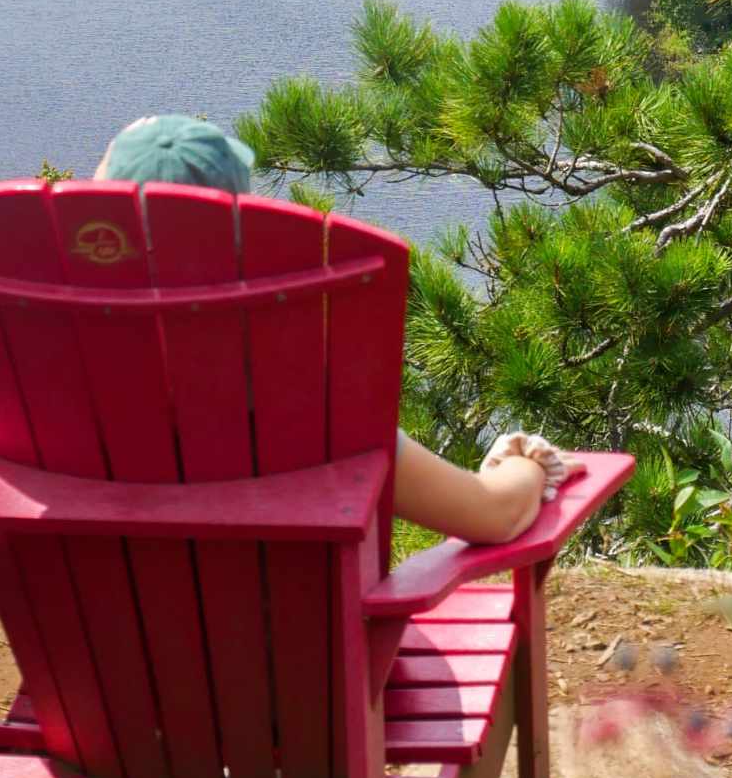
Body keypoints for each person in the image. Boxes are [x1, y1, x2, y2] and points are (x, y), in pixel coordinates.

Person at [95, 113, 568, 544]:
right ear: (237, 229)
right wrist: (526, 462)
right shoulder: (293, 392)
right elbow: (490, 516)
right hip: (286, 637)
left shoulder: (49, 391)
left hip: (97, 633)